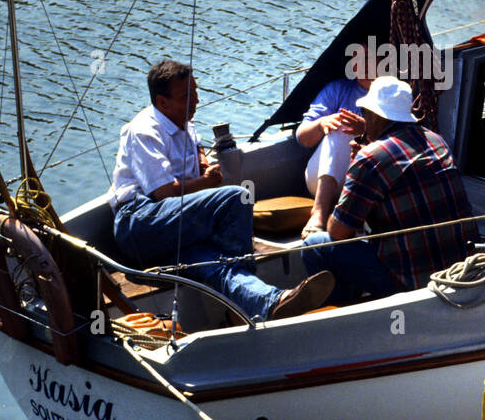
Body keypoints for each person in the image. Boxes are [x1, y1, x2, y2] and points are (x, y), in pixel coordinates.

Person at [110, 59, 333, 320]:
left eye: (195, 93)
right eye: (186, 97)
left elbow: (196, 146)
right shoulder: (143, 131)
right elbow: (164, 192)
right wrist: (206, 181)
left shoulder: (184, 121)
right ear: (162, 103)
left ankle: (263, 304)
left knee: (217, 263)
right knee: (237, 197)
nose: (195, 101)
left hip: (176, 226)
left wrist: (202, 160)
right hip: (140, 224)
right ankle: (246, 302)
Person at [302, 76, 474, 305]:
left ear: (374, 116)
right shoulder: (436, 140)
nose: (363, 118)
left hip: (412, 280)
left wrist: (357, 169)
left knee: (314, 247)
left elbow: (338, 233)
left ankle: (343, 315)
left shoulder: (370, 158)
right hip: (458, 269)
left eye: (365, 113)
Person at [295, 73, 372, 238]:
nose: (362, 65)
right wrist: (322, 123)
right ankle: (319, 213)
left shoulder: (394, 93)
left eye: (369, 59)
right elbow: (303, 138)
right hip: (323, 180)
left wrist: (365, 132)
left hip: (367, 185)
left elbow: (399, 144)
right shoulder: (338, 89)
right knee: (340, 123)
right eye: (357, 57)